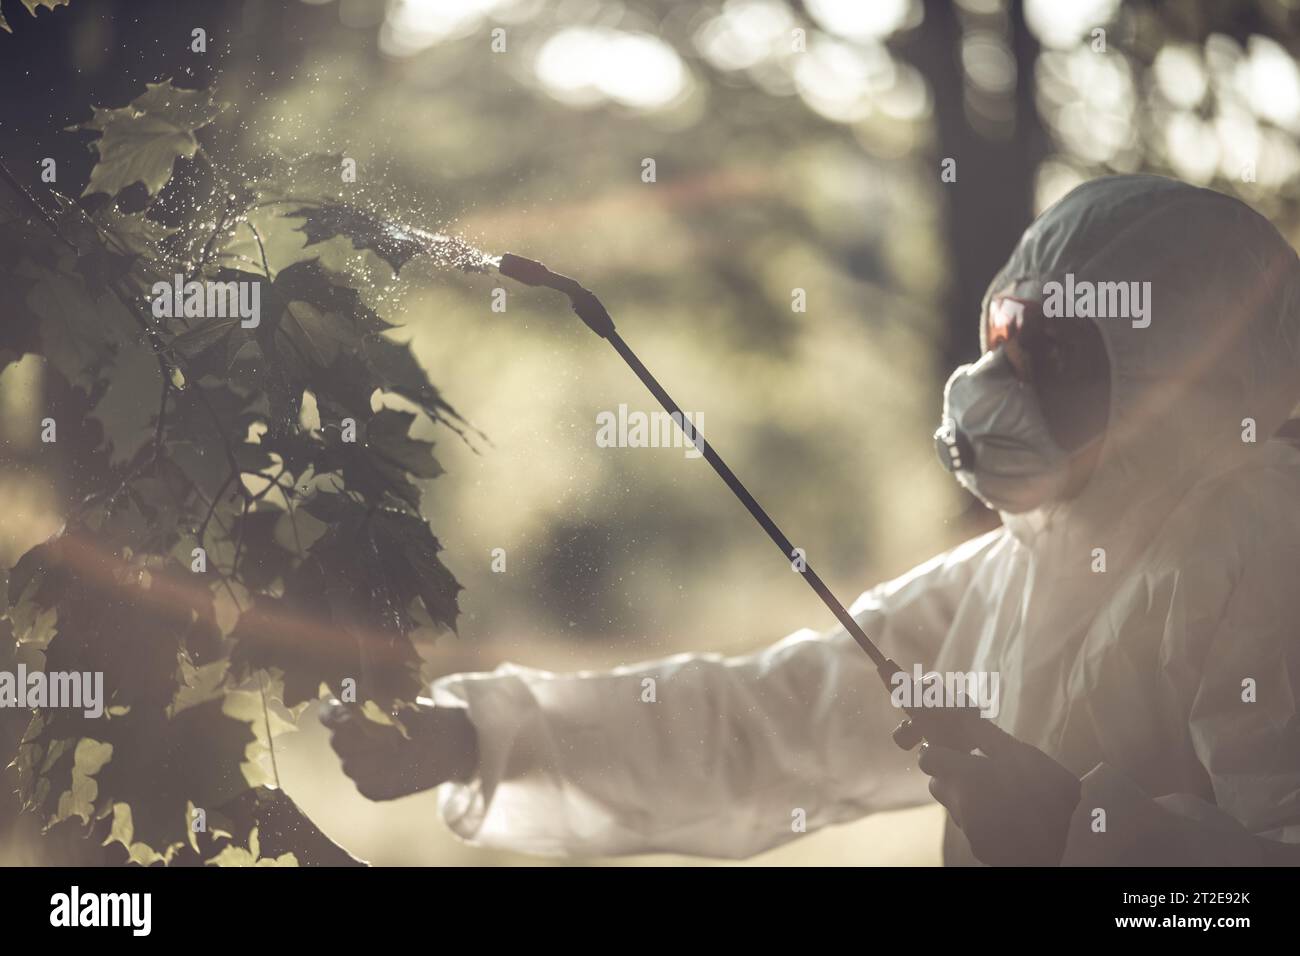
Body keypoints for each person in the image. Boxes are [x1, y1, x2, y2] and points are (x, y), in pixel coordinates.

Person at [327, 175, 1300, 865]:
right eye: (1004, 338)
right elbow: (769, 717)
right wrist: (478, 737)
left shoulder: (1263, 540)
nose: (989, 386)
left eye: (1054, 358)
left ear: (1182, 385)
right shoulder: (1017, 568)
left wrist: (1079, 831)